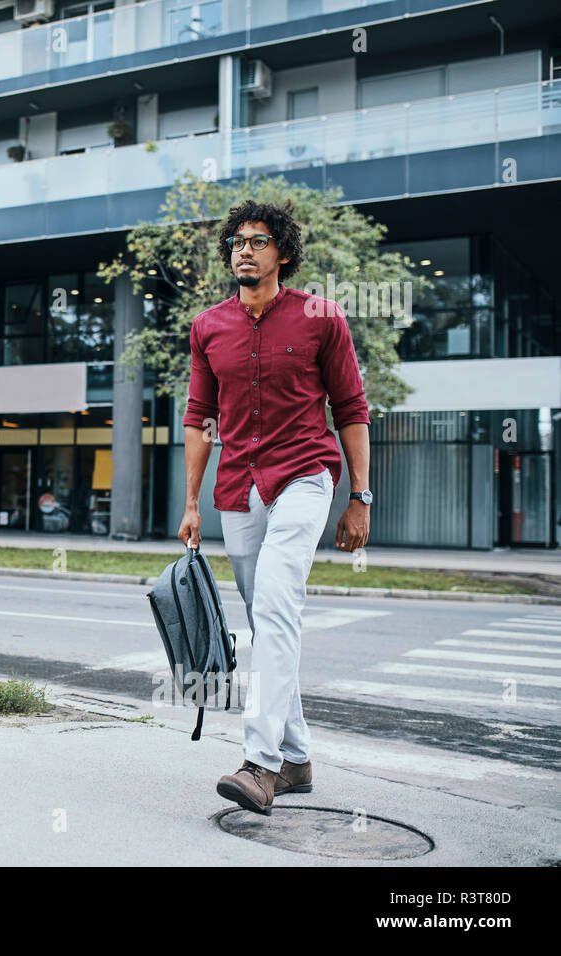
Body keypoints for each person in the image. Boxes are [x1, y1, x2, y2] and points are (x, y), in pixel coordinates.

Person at [176, 199, 373, 815]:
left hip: (305, 475)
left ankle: (259, 764)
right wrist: (190, 500)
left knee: (277, 602)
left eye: (257, 241)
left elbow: (351, 409)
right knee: (267, 621)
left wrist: (360, 497)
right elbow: (198, 418)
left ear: (282, 252)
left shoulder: (321, 316)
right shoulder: (208, 326)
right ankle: (298, 759)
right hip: (238, 486)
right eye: (236, 241)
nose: (243, 249)